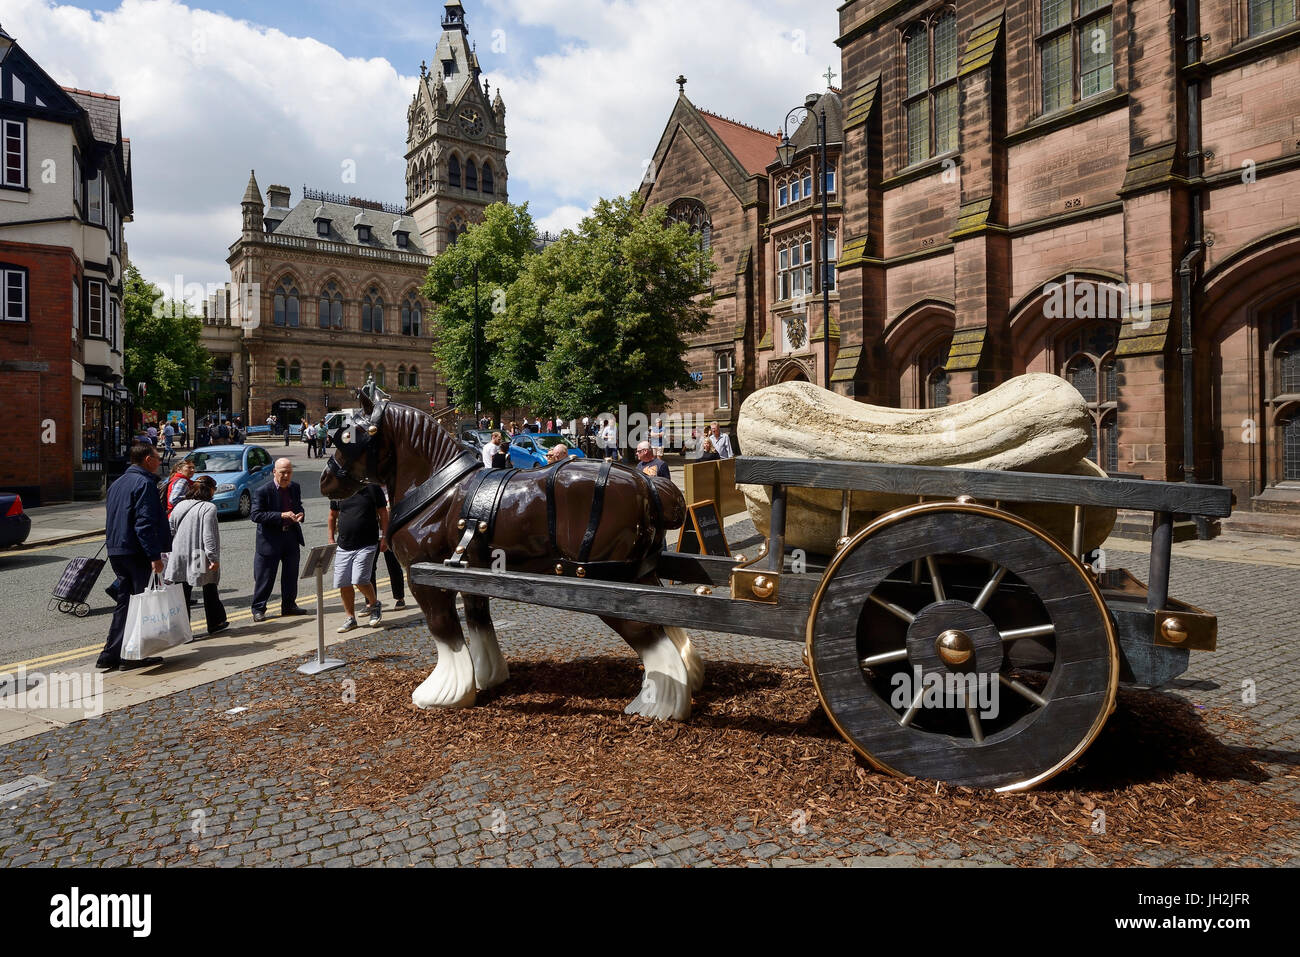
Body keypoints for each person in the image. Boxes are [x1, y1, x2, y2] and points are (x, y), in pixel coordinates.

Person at [98, 441, 171, 670]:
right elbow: (144, 523)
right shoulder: (144, 483)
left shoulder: (117, 483)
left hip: (117, 549)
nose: (160, 463)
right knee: (141, 604)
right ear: (147, 460)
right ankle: (131, 656)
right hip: (137, 551)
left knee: (125, 602)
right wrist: (154, 556)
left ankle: (110, 654)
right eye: (157, 458)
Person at [165, 475, 229, 638]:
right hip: (198, 555)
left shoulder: (180, 506)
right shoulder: (209, 507)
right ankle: (215, 622)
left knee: (183, 592)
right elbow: (209, 535)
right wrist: (213, 558)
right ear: (210, 490)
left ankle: (182, 631)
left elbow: (170, 529)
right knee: (209, 585)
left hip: (179, 554)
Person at [249, 457, 309, 622]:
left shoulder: (294, 487)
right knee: (265, 576)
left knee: (291, 574)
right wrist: (281, 515)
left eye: (289, 472)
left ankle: (289, 606)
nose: (286, 476)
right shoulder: (263, 491)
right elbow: (255, 515)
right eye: (283, 472)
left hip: (291, 536)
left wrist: (301, 514)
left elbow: (298, 506)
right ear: (274, 472)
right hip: (269, 540)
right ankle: (258, 609)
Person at [328, 486, 387, 631]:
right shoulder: (339, 491)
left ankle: (374, 605)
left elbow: (383, 514)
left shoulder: (373, 489)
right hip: (344, 544)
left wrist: (385, 537)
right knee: (343, 582)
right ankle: (350, 618)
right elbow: (332, 515)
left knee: (360, 579)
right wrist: (330, 538)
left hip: (367, 543)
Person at [369, 485, 407, 610]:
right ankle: (370, 602)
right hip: (372, 534)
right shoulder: (370, 489)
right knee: (368, 570)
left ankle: (400, 598)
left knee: (393, 566)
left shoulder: (392, 489)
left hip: (390, 533)